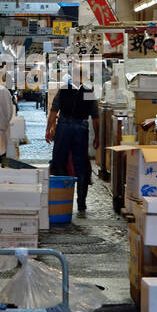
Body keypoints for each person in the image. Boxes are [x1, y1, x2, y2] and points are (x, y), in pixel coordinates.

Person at [47, 76, 99, 214]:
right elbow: (95, 117)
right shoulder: (89, 92)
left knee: (59, 162)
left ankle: (61, 197)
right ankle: (81, 203)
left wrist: (48, 129)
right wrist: (97, 136)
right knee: (81, 166)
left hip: (64, 127)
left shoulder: (63, 90)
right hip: (81, 129)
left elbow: (54, 110)